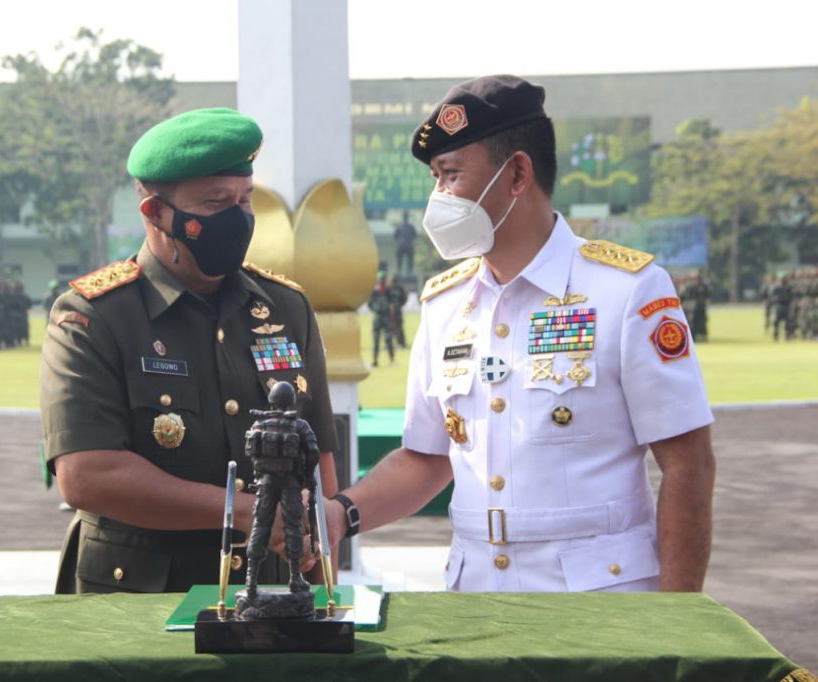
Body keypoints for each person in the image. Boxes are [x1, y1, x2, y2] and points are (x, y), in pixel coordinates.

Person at [323, 76, 715, 592]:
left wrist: (679, 624)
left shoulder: (627, 291)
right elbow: (427, 456)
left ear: (517, 175)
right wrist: (341, 515)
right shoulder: (445, 305)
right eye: (436, 179)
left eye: (451, 175)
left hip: (601, 606)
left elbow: (687, 461)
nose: (438, 196)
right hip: (476, 600)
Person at [40, 107, 339, 594]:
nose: (237, 217)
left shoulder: (286, 307)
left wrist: (325, 588)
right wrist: (246, 512)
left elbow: (320, 465)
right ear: (155, 213)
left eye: (244, 200)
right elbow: (87, 475)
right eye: (216, 202)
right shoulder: (92, 316)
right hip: (139, 597)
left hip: (269, 592)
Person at [241, 381, 320, 606]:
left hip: (265, 482)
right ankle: (295, 576)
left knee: (260, 526)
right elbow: (313, 452)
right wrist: (307, 479)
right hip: (290, 483)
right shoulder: (300, 426)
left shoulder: (260, 423)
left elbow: (251, 453)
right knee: (293, 526)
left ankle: (251, 578)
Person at [368, 271, 395, 367]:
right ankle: (375, 360)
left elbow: (392, 303)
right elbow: (370, 304)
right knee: (376, 340)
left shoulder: (388, 291)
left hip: (386, 316)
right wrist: (376, 310)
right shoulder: (374, 292)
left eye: (383, 279)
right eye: (381, 279)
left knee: (388, 339)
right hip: (377, 317)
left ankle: (392, 359)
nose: (382, 281)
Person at [393, 212, 418, 277]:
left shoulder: (399, 226)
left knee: (399, 259)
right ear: (407, 218)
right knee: (410, 259)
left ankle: (399, 271)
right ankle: (410, 272)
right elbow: (415, 236)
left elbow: (395, 236)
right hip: (408, 245)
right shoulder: (411, 226)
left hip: (400, 245)